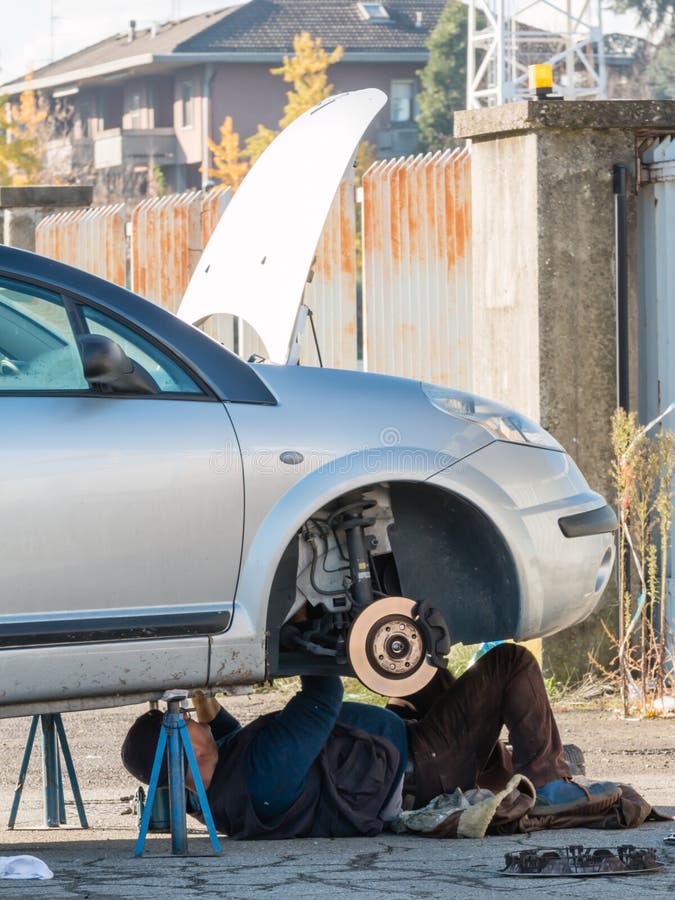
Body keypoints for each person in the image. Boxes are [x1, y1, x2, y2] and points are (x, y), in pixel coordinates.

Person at [121, 643, 620, 840]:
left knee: (426, 676)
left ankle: (506, 766)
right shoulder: (264, 771)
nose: (185, 716)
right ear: (183, 752)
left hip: (399, 755)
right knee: (511, 663)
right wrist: (292, 641)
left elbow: (226, 737)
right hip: (422, 763)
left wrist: (203, 695)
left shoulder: (210, 788)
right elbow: (323, 696)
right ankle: (550, 781)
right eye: (179, 720)